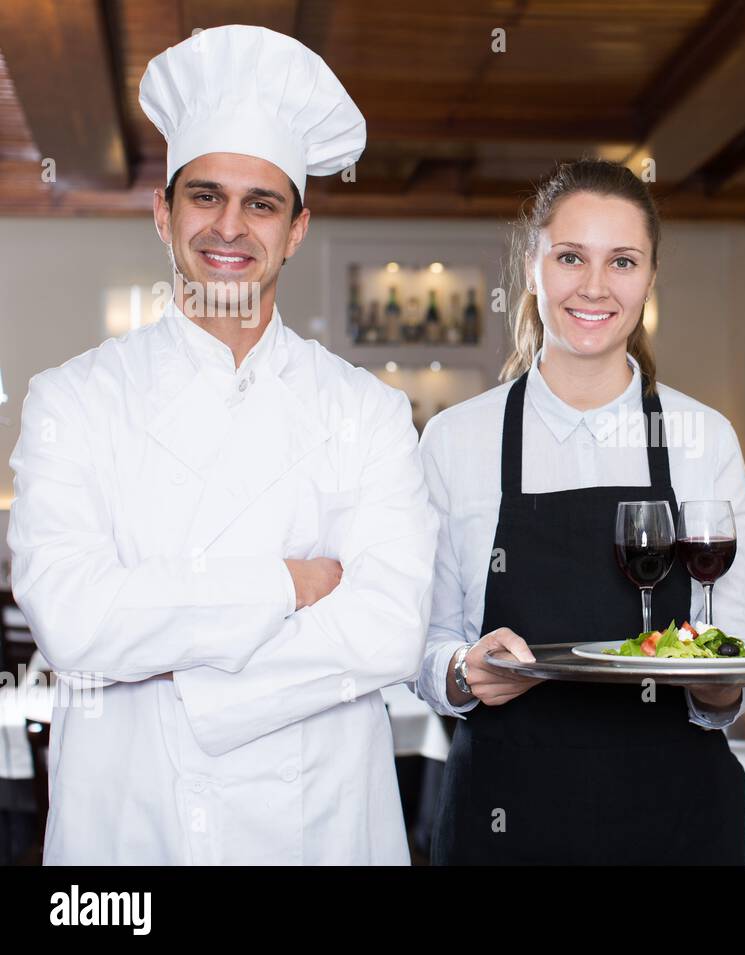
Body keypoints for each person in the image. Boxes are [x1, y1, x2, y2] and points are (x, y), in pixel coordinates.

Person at [5, 26, 437, 864]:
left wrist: (175, 666)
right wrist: (291, 582)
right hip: (131, 827)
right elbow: (74, 622)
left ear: (298, 228)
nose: (229, 226)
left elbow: (387, 630)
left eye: (262, 202)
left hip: (323, 823)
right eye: (204, 196)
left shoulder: (368, 411)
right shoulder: (72, 400)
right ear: (163, 212)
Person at [415, 158, 745, 864]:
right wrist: (458, 669)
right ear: (533, 267)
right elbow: (425, 641)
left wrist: (726, 681)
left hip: (675, 818)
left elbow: (730, 651)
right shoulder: (457, 439)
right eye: (571, 257)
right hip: (507, 818)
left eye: (622, 261)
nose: (595, 286)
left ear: (650, 278)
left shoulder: (704, 438)